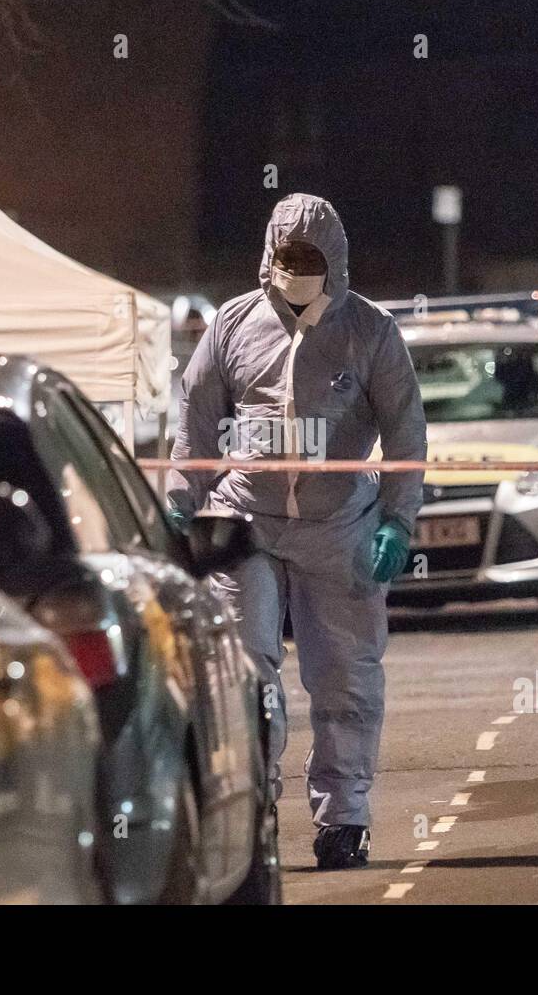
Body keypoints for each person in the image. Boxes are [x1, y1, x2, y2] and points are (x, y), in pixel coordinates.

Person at [167, 193, 426, 869]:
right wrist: (178, 502)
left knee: (344, 678)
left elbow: (405, 434)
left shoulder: (369, 332)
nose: (296, 269)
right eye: (286, 257)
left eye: (309, 258)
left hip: (338, 524)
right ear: (267, 256)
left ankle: (344, 817)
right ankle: (251, 810)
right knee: (242, 676)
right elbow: (193, 422)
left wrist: (399, 519)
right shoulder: (232, 326)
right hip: (245, 522)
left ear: (334, 261)